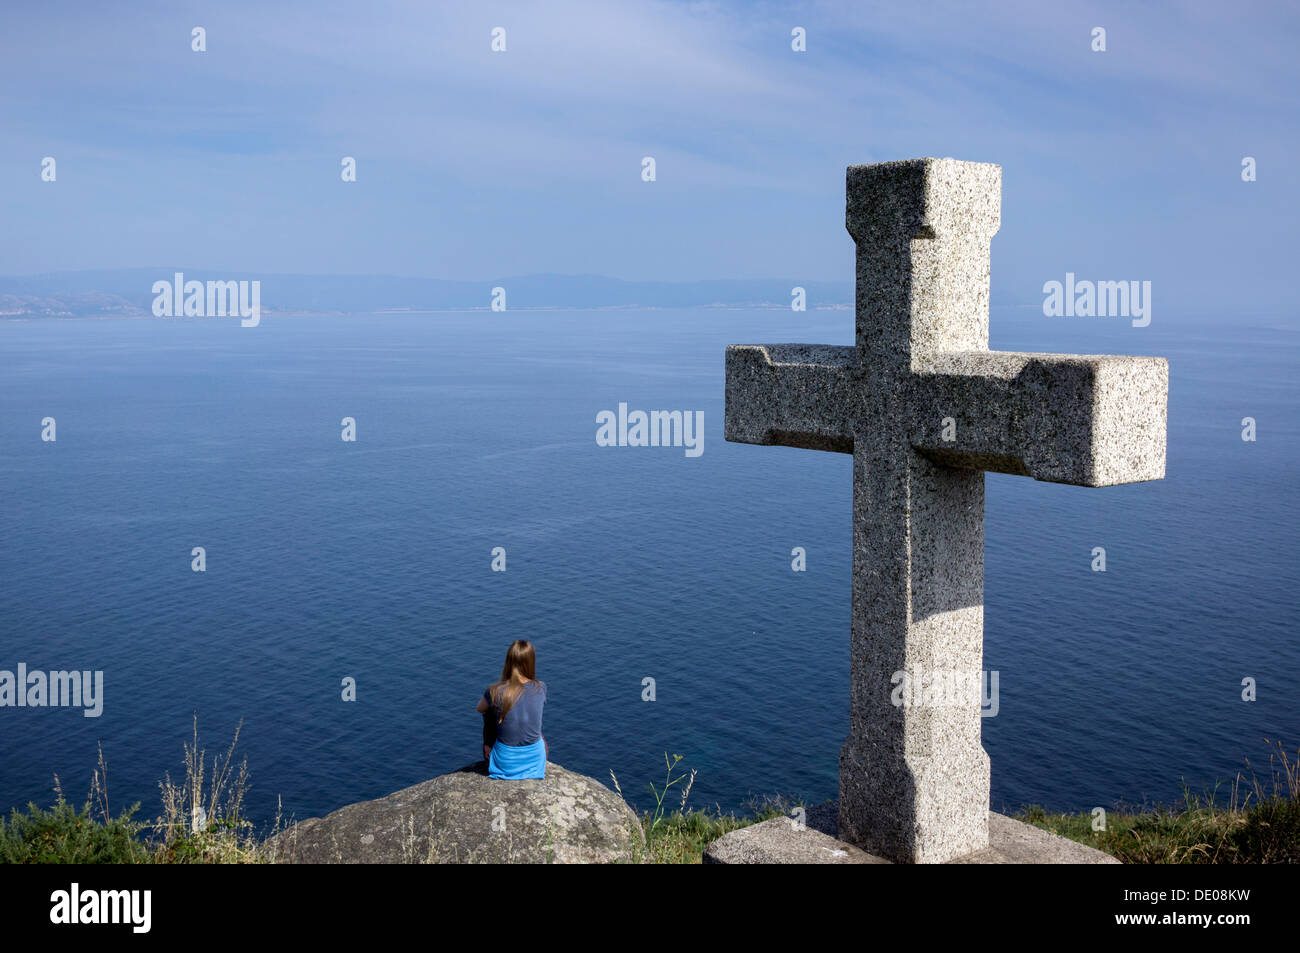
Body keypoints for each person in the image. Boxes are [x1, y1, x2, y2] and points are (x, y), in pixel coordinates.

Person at [476, 639, 548, 779]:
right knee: (540, 736)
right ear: (531, 662)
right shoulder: (541, 687)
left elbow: (480, 708)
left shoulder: (495, 691)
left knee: (489, 713)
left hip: (505, 763)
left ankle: (489, 751)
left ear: (508, 662)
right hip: (534, 762)